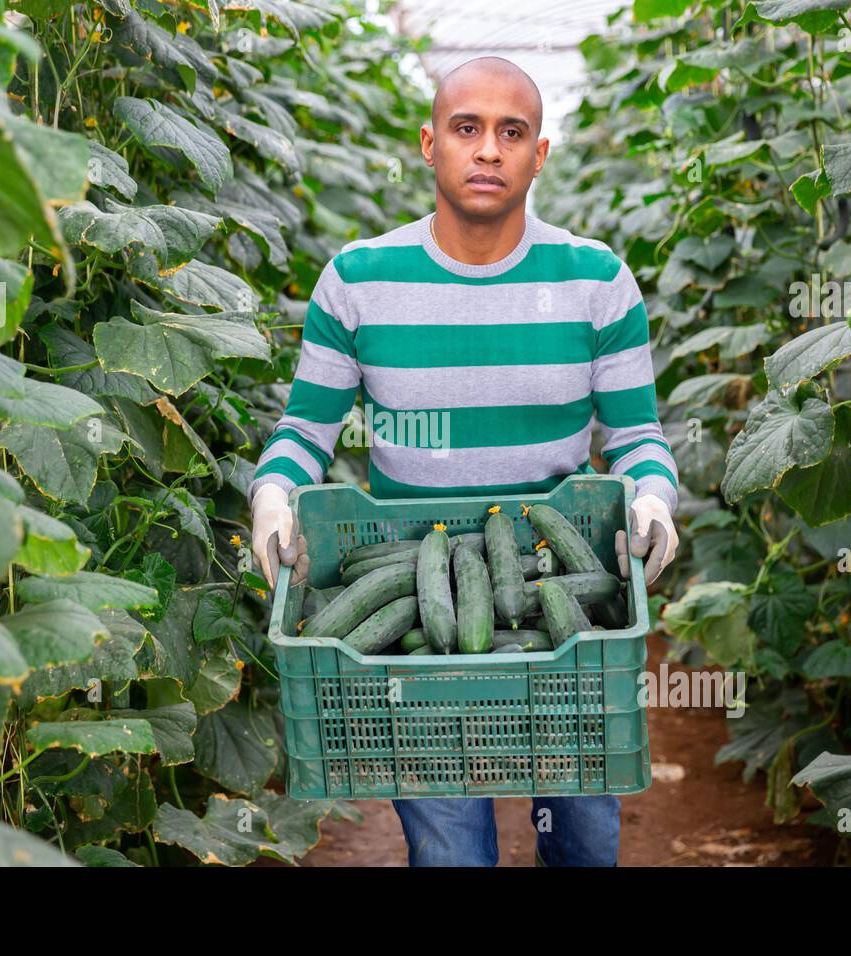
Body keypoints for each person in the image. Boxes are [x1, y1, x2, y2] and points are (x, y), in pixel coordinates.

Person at [247, 56, 680, 867]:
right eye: (467, 128)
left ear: (539, 155)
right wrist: (274, 494)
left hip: (565, 601)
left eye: (511, 132)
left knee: (584, 841)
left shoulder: (597, 282)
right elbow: (305, 434)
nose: (488, 150)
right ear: (428, 144)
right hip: (417, 590)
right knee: (450, 856)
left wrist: (653, 501)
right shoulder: (358, 281)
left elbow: (637, 439)